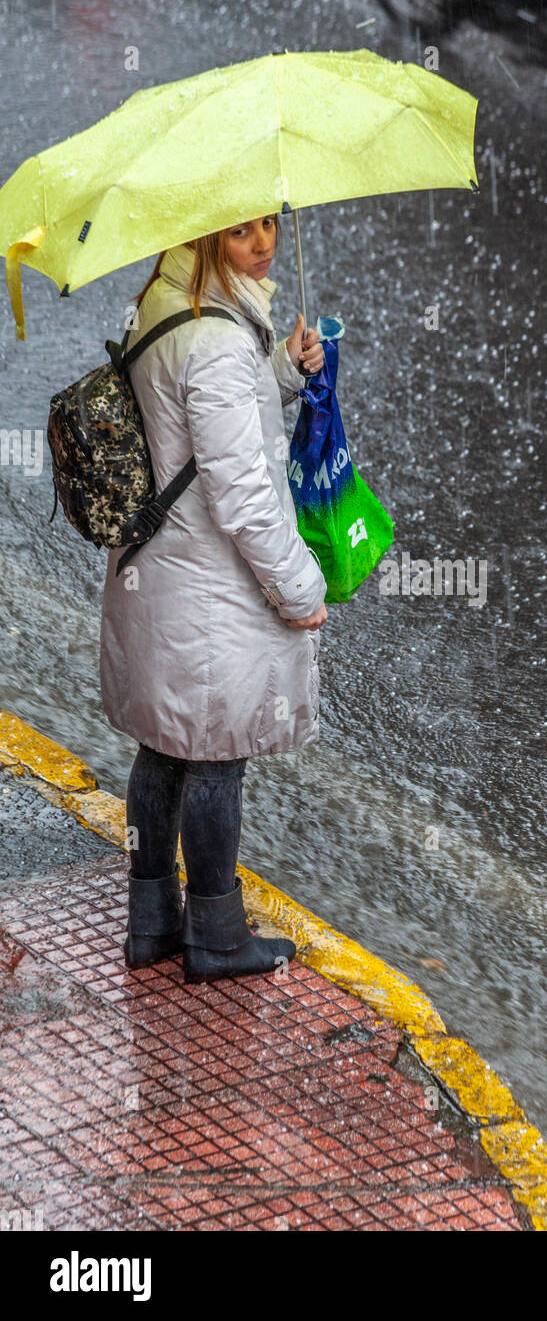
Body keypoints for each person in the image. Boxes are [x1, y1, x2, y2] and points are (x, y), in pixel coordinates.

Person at [99, 212, 328, 985]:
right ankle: (218, 938)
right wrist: (300, 589)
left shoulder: (161, 307)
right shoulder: (221, 342)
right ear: (201, 238)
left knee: (164, 746)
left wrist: (284, 377)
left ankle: (151, 921)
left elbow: (194, 423)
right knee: (218, 756)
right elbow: (245, 498)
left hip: (157, 572)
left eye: (269, 224)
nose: (263, 243)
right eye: (239, 232)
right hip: (209, 588)